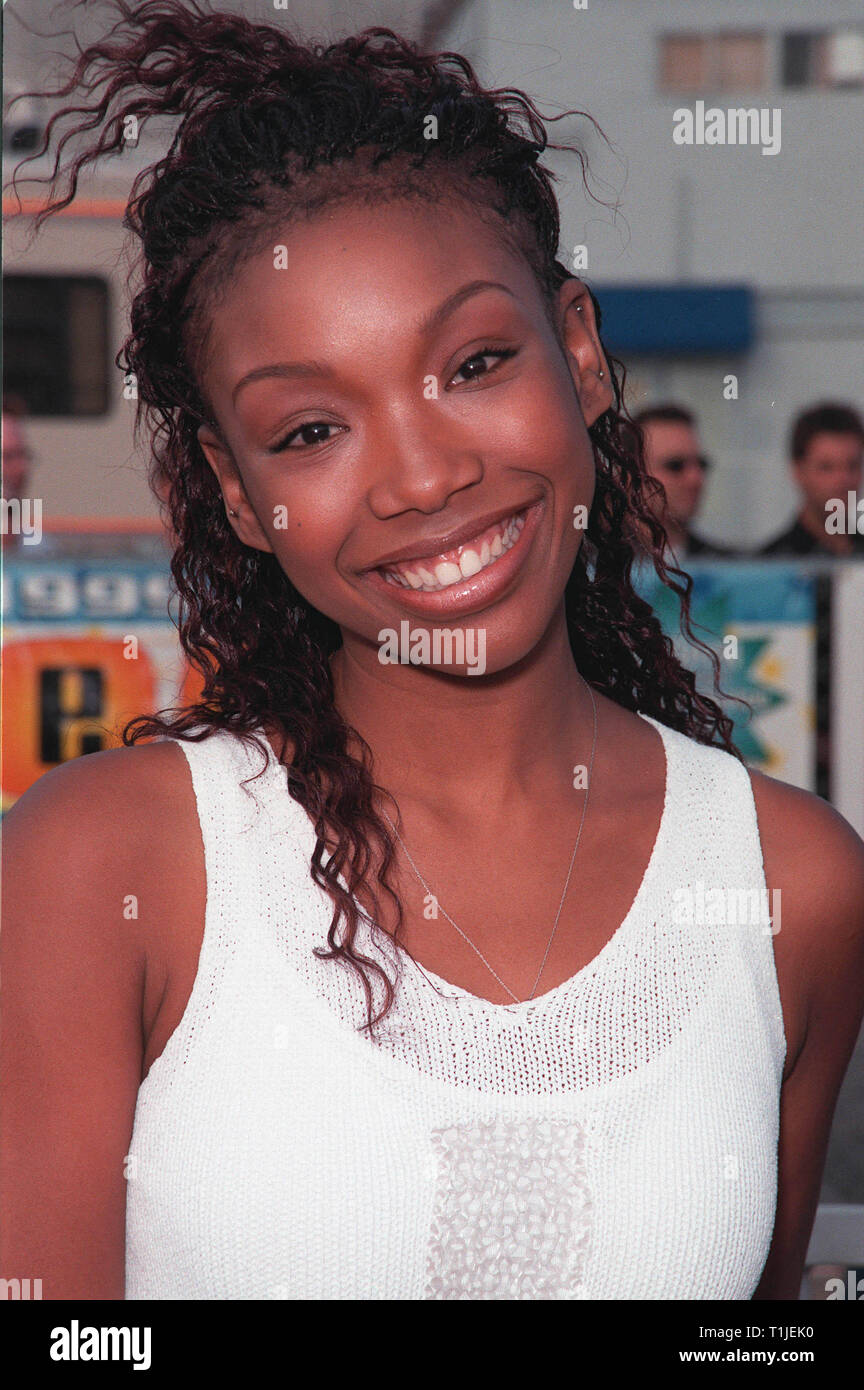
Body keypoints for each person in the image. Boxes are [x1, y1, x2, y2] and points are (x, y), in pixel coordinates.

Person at [2, 1, 863, 1303]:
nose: (423, 474)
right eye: (308, 430)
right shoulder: (99, 867)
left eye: (472, 361)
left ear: (579, 354)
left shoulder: (792, 881)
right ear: (240, 497)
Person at [760, 402, 864, 557]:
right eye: (826, 467)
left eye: (852, 465)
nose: (843, 479)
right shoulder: (770, 565)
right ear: (798, 471)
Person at [632, 403, 735, 560]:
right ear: (630, 476)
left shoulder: (729, 567)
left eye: (701, 464)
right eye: (675, 466)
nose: (695, 478)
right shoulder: (593, 565)